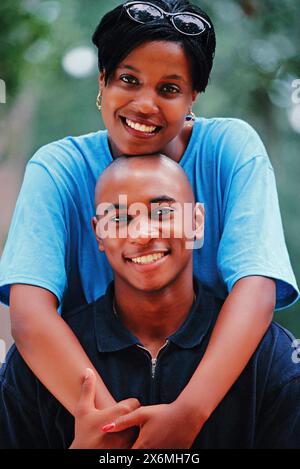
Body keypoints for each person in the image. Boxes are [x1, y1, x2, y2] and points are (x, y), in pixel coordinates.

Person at [0, 0, 299, 449]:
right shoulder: (59, 167)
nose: (145, 104)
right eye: (128, 80)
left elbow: (256, 284)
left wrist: (187, 415)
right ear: (102, 81)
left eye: (169, 88)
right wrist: (115, 429)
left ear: (193, 95)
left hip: (216, 387)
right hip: (80, 387)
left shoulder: (230, 149)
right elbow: (29, 313)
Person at [1, 155, 299, 449]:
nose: (142, 233)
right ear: (98, 234)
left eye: (163, 212)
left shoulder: (271, 358)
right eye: (118, 218)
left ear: (196, 222)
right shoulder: (34, 368)